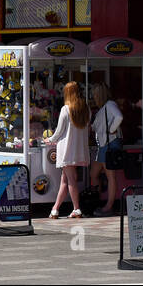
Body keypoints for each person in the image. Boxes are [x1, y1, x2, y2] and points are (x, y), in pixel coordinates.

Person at [47, 80, 92, 219]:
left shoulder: (65, 109)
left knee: (70, 180)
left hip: (66, 150)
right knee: (65, 180)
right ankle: (55, 209)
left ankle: (76, 209)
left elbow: (59, 131)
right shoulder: (86, 109)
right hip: (79, 150)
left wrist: (50, 139)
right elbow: (87, 129)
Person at [89, 82, 126, 214]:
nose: (93, 96)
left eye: (95, 94)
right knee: (93, 173)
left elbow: (119, 117)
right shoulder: (105, 107)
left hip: (109, 144)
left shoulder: (110, 105)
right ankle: (97, 201)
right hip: (104, 145)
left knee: (110, 176)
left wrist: (111, 129)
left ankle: (108, 206)